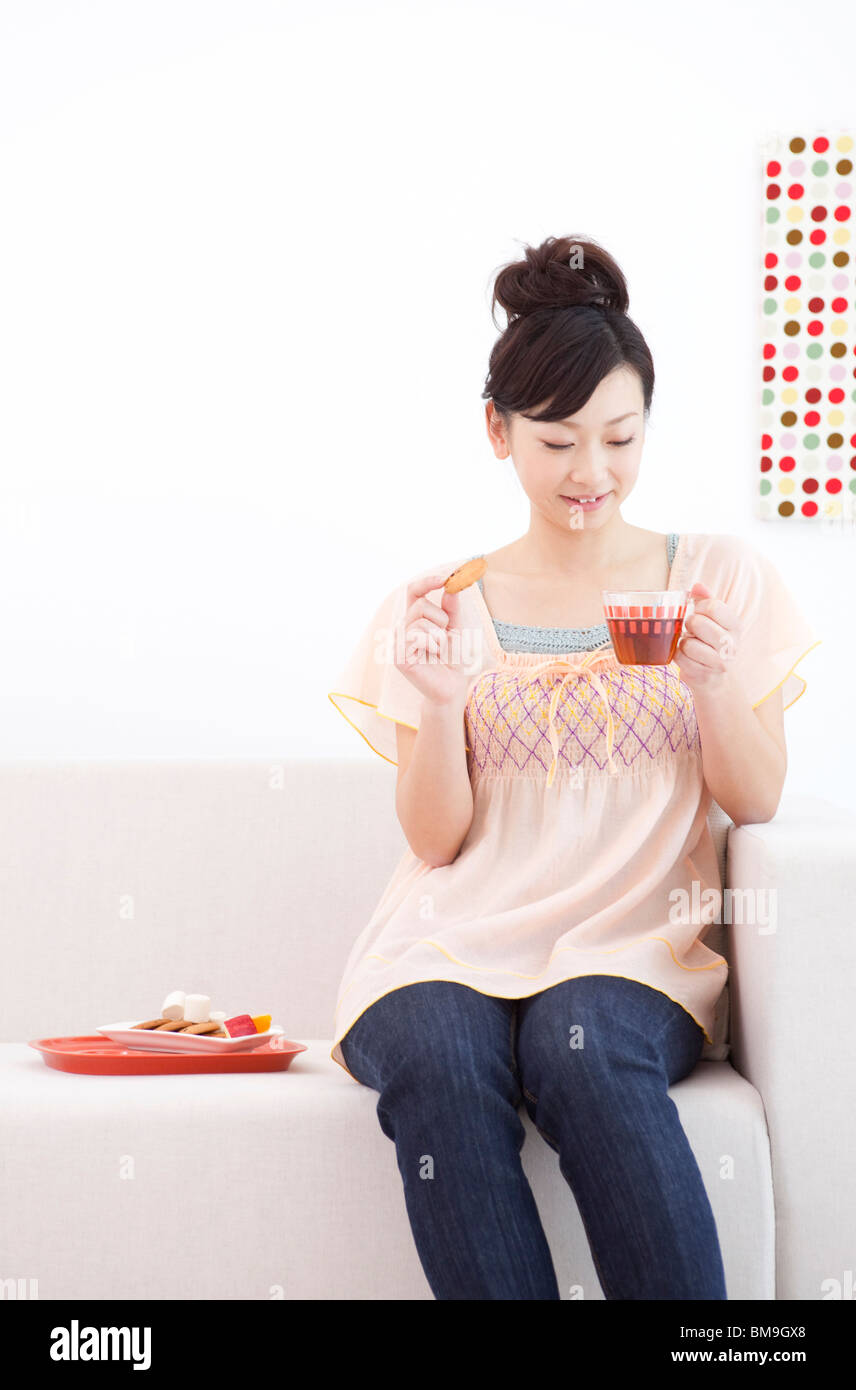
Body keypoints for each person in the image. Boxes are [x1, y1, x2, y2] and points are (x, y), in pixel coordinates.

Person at [326, 234, 821, 1300]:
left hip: (632, 941)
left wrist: (712, 687)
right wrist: (447, 703)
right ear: (497, 433)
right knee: (434, 1051)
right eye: (556, 442)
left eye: (619, 437)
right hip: (448, 939)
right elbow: (434, 842)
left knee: (582, 1048)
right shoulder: (442, 602)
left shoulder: (717, 579)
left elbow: (756, 798)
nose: (590, 473)